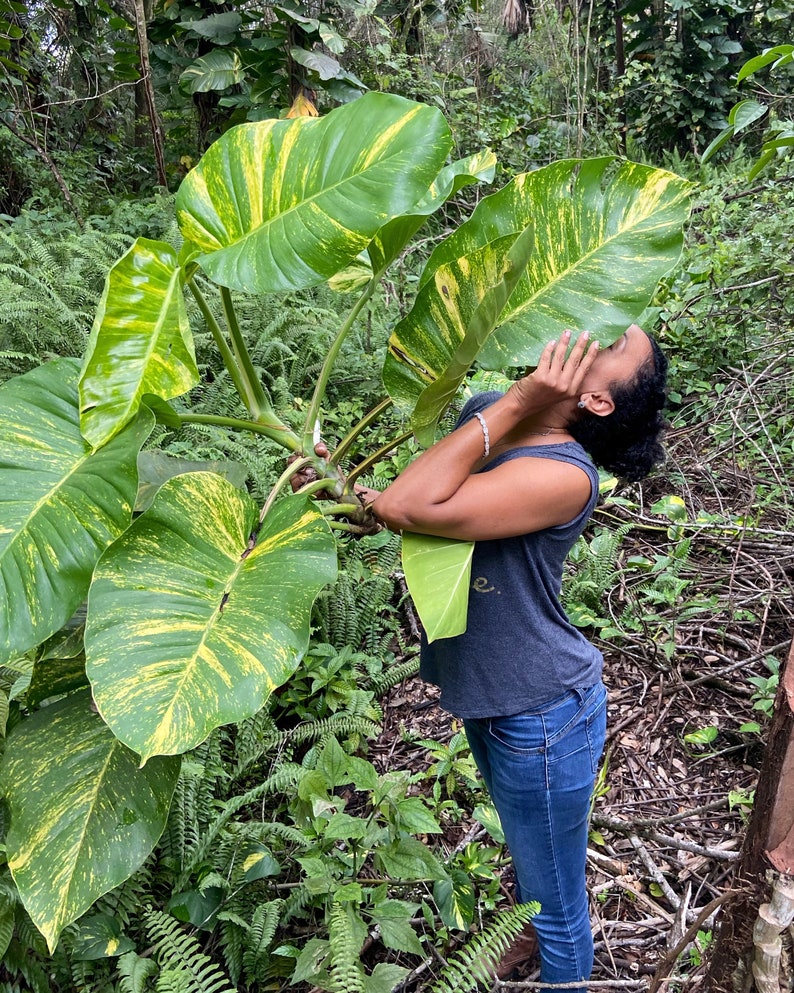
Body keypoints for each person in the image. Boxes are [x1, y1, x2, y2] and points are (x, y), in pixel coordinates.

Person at [358, 325, 668, 988]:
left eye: (611, 343)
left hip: (541, 714)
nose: (589, 329)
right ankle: (528, 923)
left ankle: (547, 942)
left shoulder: (565, 476)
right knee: (539, 859)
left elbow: (409, 503)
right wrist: (353, 493)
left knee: (560, 910)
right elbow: (410, 502)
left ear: (598, 400)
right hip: (493, 694)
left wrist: (519, 398)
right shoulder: (492, 411)